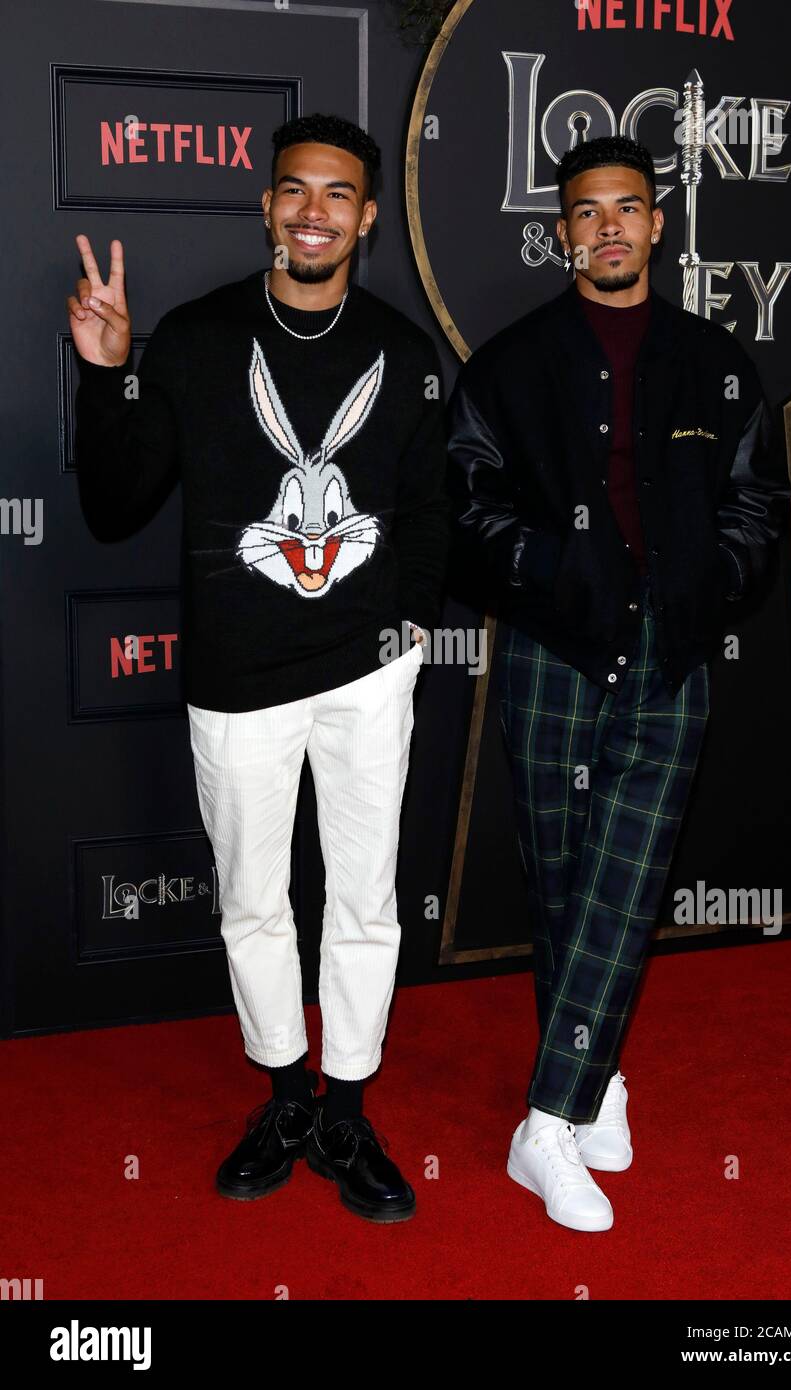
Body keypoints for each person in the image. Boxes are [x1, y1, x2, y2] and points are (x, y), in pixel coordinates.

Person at [69, 113, 449, 1224]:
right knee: (252, 900)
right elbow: (111, 506)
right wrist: (105, 374)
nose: (314, 211)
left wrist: (409, 630)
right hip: (236, 676)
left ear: (366, 217)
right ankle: (284, 1096)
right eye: (295, 190)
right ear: (268, 203)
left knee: (364, 900)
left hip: (367, 673)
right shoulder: (190, 341)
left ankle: (347, 1106)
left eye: (337, 194)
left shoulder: (400, 349)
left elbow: (428, 507)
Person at [446, 135, 791, 1232]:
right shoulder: (507, 364)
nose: (606, 227)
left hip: (670, 651)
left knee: (626, 880)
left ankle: (545, 1121)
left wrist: (705, 584)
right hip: (553, 644)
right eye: (585, 212)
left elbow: (755, 506)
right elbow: (466, 503)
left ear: (655, 224)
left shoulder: (718, 363)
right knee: (562, 882)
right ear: (561, 232)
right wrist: (552, 570)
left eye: (626, 208)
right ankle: (597, 1079)